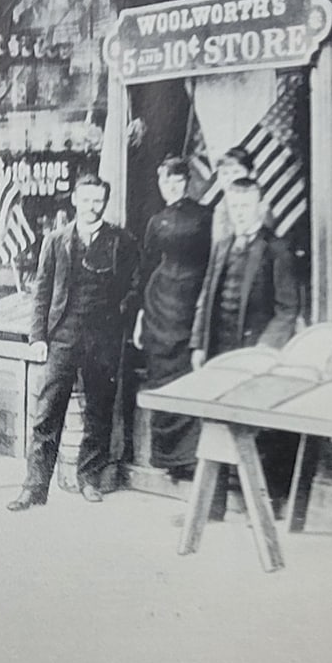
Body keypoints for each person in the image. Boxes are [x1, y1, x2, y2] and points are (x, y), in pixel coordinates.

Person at [8, 173, 140, 510]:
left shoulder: (121, 241)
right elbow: (42, 292)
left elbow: (135, 285)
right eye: (87, 200)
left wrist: (119, 314)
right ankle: (35, 487)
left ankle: (89, 479)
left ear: (105, 202)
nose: (92, 206)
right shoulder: (56, 241)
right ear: (75, 201)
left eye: (98, 200)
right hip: (63, 336)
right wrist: (38, 336)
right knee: (47, 413)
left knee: (98, 412)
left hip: (103, 339)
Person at [190, 176, 298, 519]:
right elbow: (206, 297)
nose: (239, 212)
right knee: (215, 424)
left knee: (258, 430)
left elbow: (287, 309)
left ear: (260, 208)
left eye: (246, 206)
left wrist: (265, 352)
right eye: (234, 206)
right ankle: (212, 507)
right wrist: (198, 344)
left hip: (255, 354)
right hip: (219, 350)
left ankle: (264, 510)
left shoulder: (276, 249)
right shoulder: (222, 245)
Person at [133, 156, 211, 479]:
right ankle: (167, 457)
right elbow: (147, 265)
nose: (171, 187)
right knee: (161, 376)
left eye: (177, 181)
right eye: (165, 181)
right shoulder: (156, 221)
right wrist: (140, 312)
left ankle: (188, 458)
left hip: (190, 300)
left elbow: (211, 263)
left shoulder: (204, 216)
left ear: (187, 182)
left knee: (187, 374)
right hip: (159, 306)